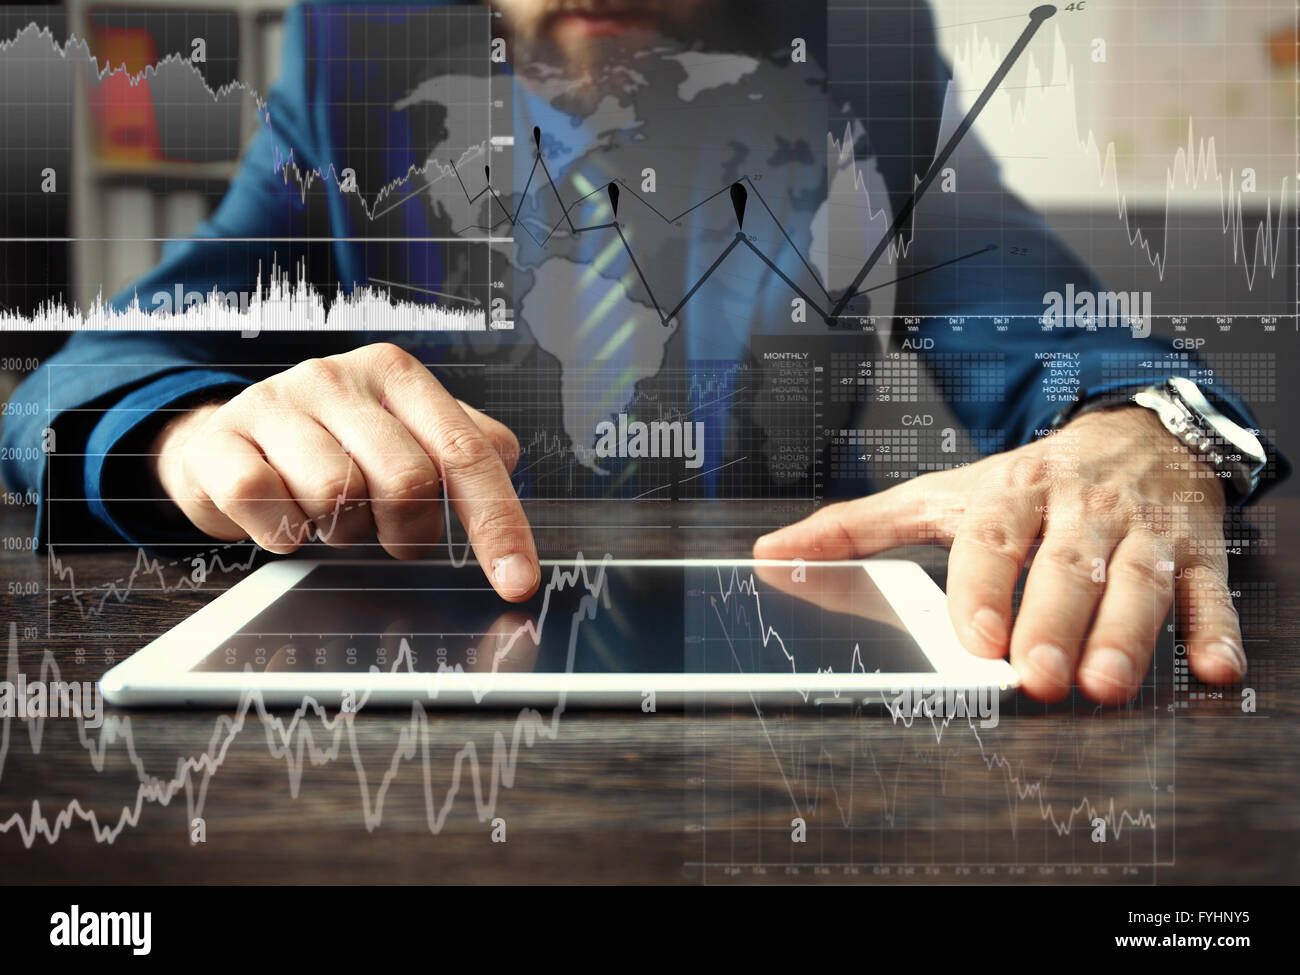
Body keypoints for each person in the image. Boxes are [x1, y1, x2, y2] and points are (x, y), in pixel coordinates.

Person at [1, 0, 1282, 705]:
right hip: (440, 676)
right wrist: (177, 431)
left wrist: (1138, 429)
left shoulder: (865, 50)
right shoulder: (358, 50)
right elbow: (109, 355)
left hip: (793, 669)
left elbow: (1025, 306)